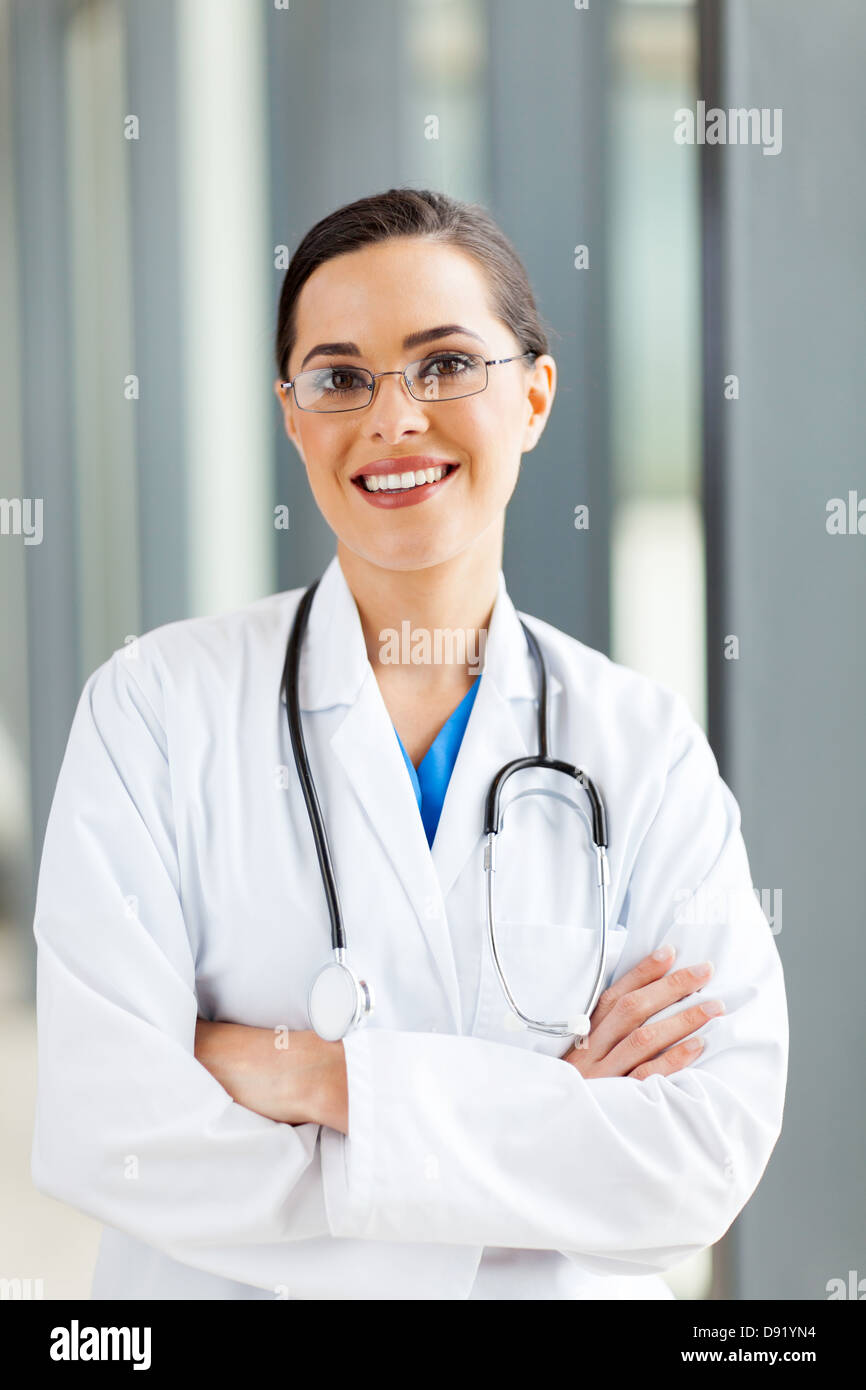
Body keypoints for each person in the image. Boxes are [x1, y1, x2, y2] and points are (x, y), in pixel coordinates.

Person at [30, 187, 788, 1301]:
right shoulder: (153, 709)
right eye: (340, 378)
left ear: (533, 395)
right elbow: (114, 1123)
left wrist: (315, 1076)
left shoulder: (640, 748)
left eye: (444, 366)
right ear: (293, 417)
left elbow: (698, 1158)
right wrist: (538, 1139)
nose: (393, 419)